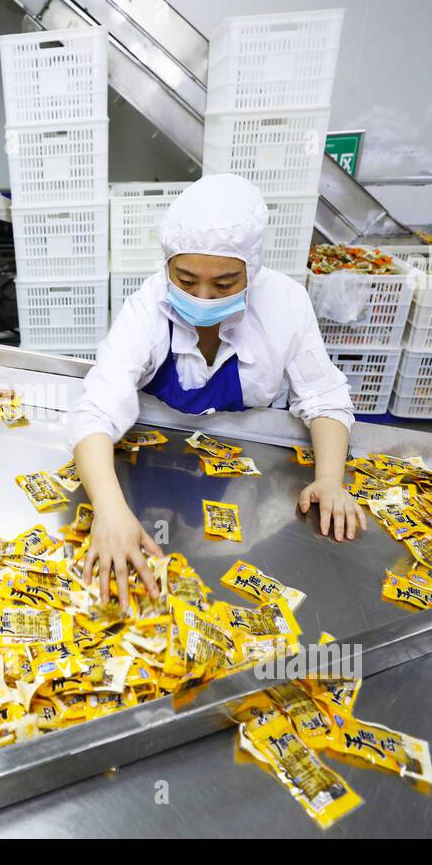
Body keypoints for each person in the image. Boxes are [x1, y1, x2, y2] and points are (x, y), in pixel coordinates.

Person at [64, 173, 365, 606]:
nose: (203, 298)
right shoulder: (146, 308)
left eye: (224, 284)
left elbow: (324, 398)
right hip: (150, 464)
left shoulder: (285, 304)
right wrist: (111, 510)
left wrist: (330, 480)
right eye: (186, 281)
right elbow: (95, 409)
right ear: (167, 266)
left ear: (252, 269)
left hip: (242, 475)